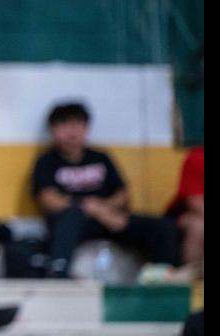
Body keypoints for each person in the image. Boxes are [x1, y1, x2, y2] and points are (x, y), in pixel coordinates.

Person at [30, 101, 178, 278]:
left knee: (162, 226)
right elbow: (49, 200)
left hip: (109, 218)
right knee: (70, 218)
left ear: (86, 127)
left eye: (77, 125)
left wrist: (102, 209)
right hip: (75, 221)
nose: (71, 133)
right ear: (53, 130)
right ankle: (58, 273)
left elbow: (123, 195)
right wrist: (89, 207)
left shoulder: (100, 157)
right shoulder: (47, 162)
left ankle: (166, 276)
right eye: (64, 126)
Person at [166, 145, 204, 273]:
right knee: (199, 226)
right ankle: (193, 280)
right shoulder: (198, 157)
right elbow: (195, 203)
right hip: (184, 216)